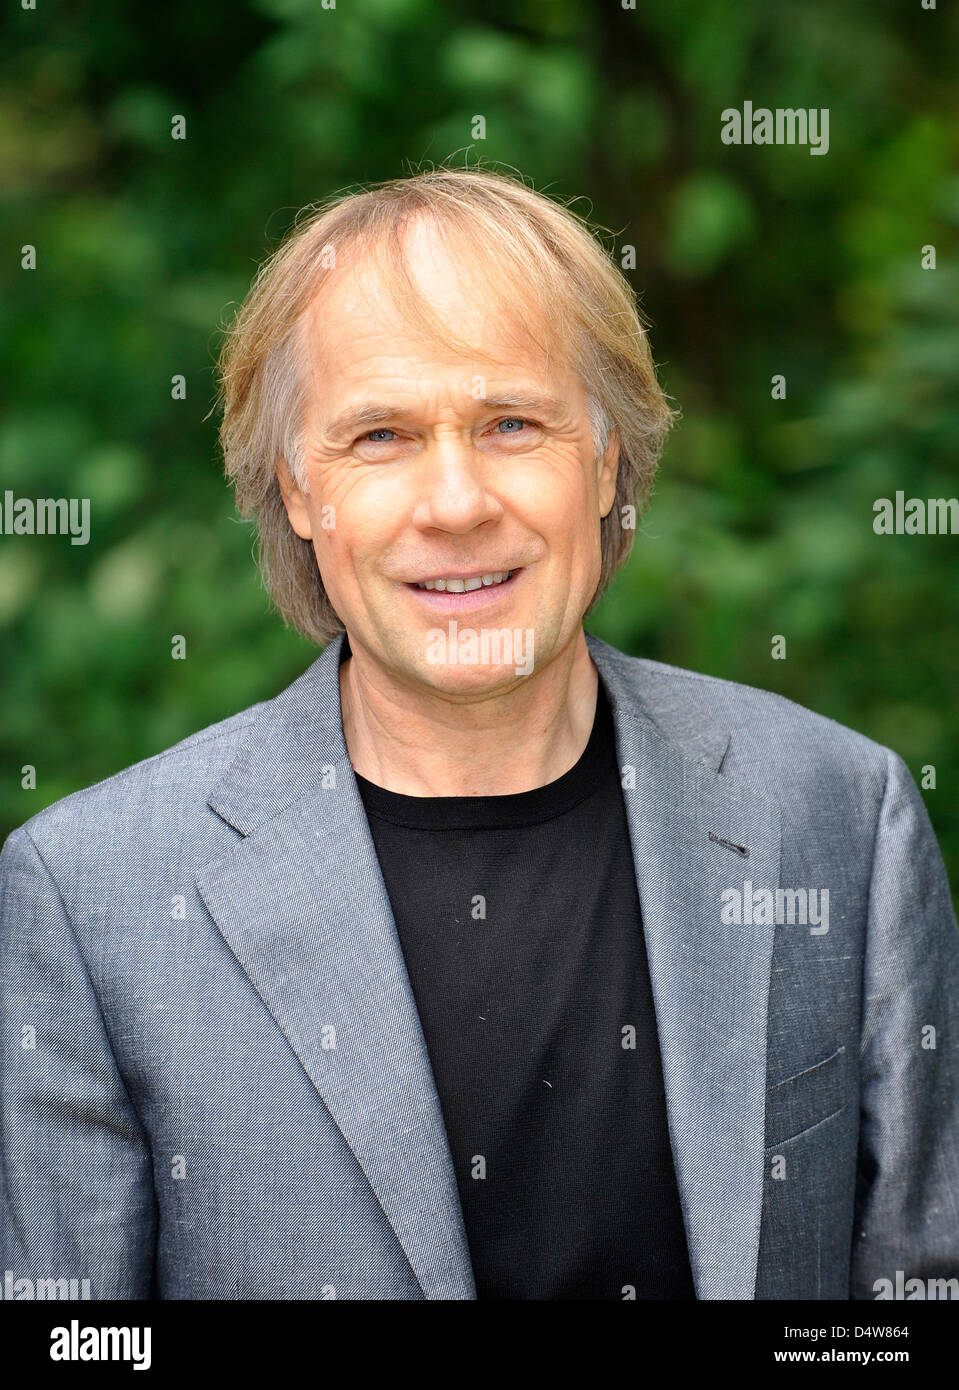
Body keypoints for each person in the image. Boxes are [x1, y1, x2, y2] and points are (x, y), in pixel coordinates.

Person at [1, 167, 957, 1301]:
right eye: (381, 436)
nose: (454, 502)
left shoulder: (837, 814)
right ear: (299, 491)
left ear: (604, 462)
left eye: (511, 422)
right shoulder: (91, 895)